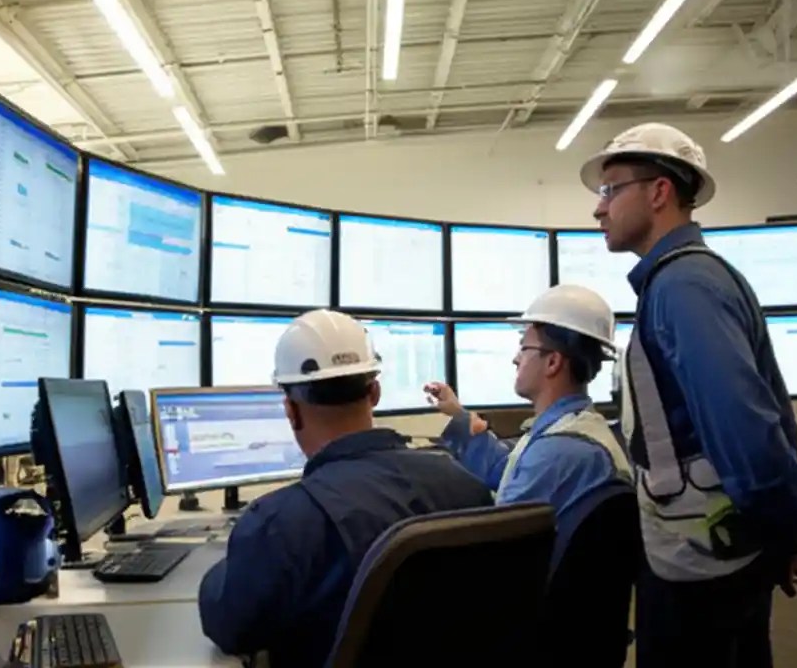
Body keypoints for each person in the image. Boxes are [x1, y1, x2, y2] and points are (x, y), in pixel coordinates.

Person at [583, 122, 797, 668]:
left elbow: (746, 428)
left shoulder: (684, 287)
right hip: (710, 555)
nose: (599, 209)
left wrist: (791, 529)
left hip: (703, 570)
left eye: (610, 190)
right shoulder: (683, 280)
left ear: (660, 192)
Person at [196, 309, 493, 667]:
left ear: (290, 410)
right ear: (375, 392)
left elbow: (231, 627)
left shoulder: (280, 523)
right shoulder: (466, 486)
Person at [425, 284, 632, 550]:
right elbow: (509, 471)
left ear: (553, 362)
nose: (515, 359)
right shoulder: (572, 428)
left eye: (524, 348)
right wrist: (458, 415)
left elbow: (497, 541)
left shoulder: (560, 450)